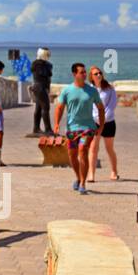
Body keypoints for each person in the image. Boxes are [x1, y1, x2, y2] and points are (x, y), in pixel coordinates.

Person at [53, 62, 105, 194]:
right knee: (72, 155)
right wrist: (57, 124)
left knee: (83, 150)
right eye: (81, 72)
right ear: (74, 74)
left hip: (88, 128)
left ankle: (83, 183)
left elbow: (100, 108)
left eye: (84, 72)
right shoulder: (67, 90)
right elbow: (59, 108)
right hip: (71, 129)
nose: (84, 74)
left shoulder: (92, 91)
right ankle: (78, 177)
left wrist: (101, 124)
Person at [87, 67, 120, 182]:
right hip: (93, 123)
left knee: (109, 148)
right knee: (93, 148)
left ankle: (114, 171)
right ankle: (91, 174)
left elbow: (112, 105)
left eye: (100, 73)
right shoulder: (88, 90)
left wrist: (103, 119)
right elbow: (87, 107)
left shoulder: (109, 89)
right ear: (91, 76)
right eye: (96, 74)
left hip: (108, 122)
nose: (99, 75)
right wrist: (95, 119)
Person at [30, 47, 55, 136]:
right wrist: (48, 66)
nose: (48, 56)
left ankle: (36, 128)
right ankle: (48, 129)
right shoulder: (37, 64)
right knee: (46, 107)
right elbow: (46, 73)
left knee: (39, 108)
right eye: (47, 54)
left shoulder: (43, 64)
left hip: (41, 87)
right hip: (39, 87)